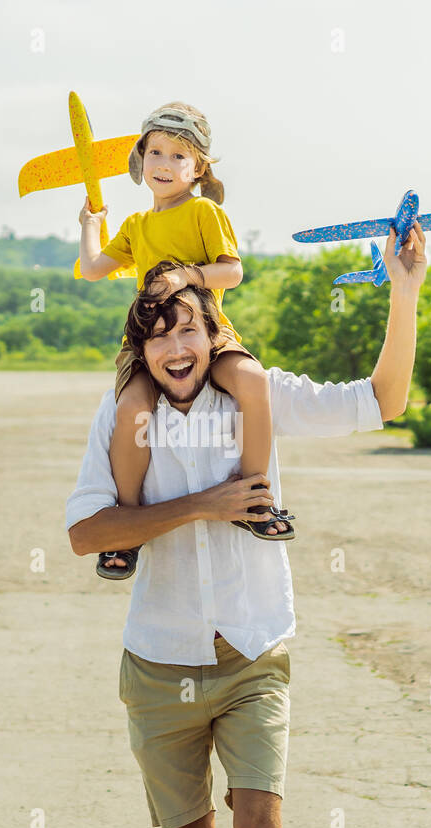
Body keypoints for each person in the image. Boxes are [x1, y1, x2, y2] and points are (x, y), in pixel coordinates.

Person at [64, 221, 428, 828]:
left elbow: (385, 398)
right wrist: (207, 505)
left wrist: (404, 291)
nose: (174, 348)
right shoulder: (123, 410)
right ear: (139, 350)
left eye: (187, 330)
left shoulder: (258, 394)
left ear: (213, 334)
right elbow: (88, 534)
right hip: (159, 660)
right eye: (157, 336)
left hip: (252, 652)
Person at [78, 101, 289, 582]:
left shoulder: (202, 211)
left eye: (179, 156)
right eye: (155, 152)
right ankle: (125, 532)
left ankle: (256, 500)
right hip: (146, 342)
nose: (164, 164)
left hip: (207, 334)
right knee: (132, 410)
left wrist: (185, 276)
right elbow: (93, 270)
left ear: (197, 170)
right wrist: (91, 224)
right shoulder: (135, 226)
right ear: (140, 162)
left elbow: (231, 271)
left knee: (252, 381)